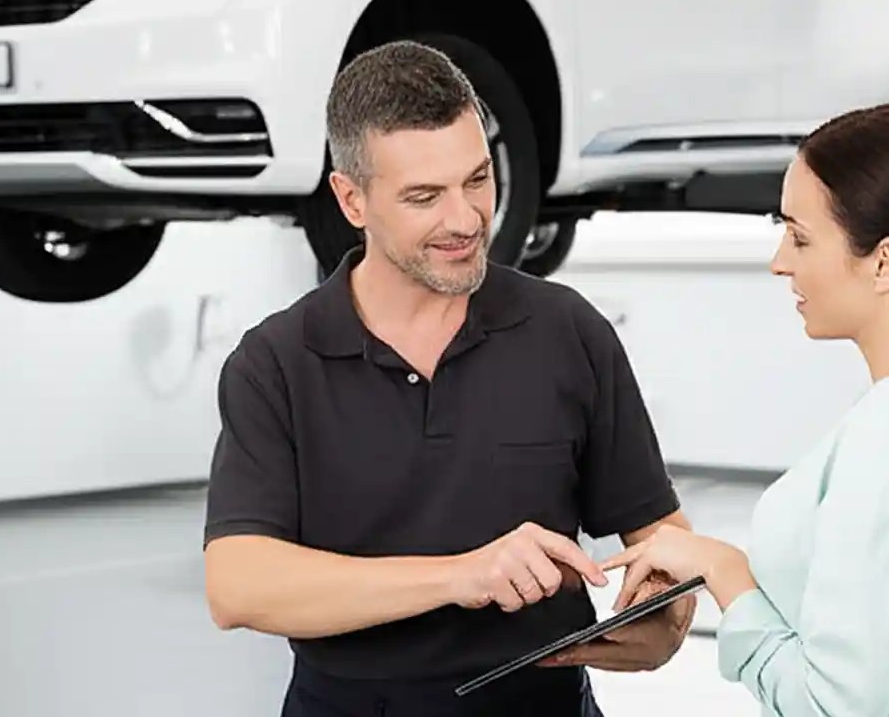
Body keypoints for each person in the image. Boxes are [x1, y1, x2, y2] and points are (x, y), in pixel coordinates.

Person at [200, 40, 695, 717]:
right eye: (424, 196)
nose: (465, 219)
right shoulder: (276, 363)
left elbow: (662, 536)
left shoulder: (567, 331)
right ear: (351, 200)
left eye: (478, 179)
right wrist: (464, 575)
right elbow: (238, 585)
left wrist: (664, 621)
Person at [600, 100, 889, 716]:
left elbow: (828, 707)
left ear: (886, 262)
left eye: (800, 237)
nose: (780, 260)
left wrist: (722, 569)